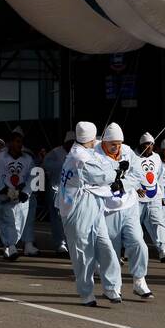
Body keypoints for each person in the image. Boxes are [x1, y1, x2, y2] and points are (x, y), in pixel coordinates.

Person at [58, 121, 121, 306]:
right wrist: (117, 173)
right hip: (77, 207)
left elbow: (103, 163)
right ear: (90, 137)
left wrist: (114, 166)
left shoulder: (83, 150)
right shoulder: (79, 157)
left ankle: (111, 287)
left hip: (93, 204)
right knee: (83, 252)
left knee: (106, 246)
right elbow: (101, 176)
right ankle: (86, 293)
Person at [97, 123, 153, 298]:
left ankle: (139, 280)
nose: (117, 147)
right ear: (104, 142)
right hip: (107, 209)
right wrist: (109, 182)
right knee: (110, 250)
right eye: (113, 144)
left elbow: (138, 175)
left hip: (129, 206)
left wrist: (122, 184)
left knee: (138, 242)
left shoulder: (128, 152)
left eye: (119, 143)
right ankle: (112, 287)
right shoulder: (94, 155)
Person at [0, 128, 39, 259]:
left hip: (21, 198)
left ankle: (9, 247)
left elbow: (33, 176)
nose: (19, 145)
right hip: (5, 196)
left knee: (19, 224)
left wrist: (26, 192)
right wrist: (2, 188)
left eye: (21, 142)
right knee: (8, 222)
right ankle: (11, 247)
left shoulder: (28, 159)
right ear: (10, 142)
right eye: (17, 141)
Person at [136, 133, 165, 262]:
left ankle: (164, 249)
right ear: (141, 145)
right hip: (138, 199)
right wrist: (135, 188)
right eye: (146, 144)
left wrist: (161, 195)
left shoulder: (157, 157)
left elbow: (159, 177)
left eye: (151, 144)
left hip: (155, 197)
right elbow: (128, 176)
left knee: (159, 222)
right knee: (134, 225)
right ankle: (127, 250)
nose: (148, 146)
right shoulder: (133, 157)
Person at [43, 131, 74, 255]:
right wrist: (62, 165)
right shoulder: (55, 152)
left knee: (69, 217)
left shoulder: (77, 152)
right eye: (69, 143)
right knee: (57, 217)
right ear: (65, 142)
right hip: (55, 189)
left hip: (70, 191)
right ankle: (60, 243)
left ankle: (69, 242)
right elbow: (45, 164)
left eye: (73, 143)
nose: (71, 145)